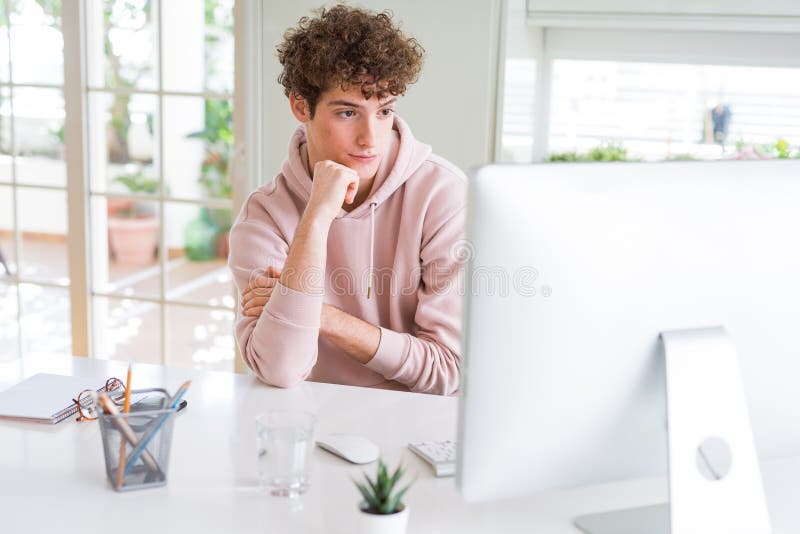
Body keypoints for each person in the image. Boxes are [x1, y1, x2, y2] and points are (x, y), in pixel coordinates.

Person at [228, 5, 467, 395]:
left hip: (418, 424)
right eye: (346, 113)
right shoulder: (264, 216)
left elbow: (447, 369)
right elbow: (282, 369)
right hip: (313, 420)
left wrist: (320, 316)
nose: (370, 139)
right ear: (301, 106)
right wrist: (318, 215)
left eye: (384, 111)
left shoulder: (442, 195)